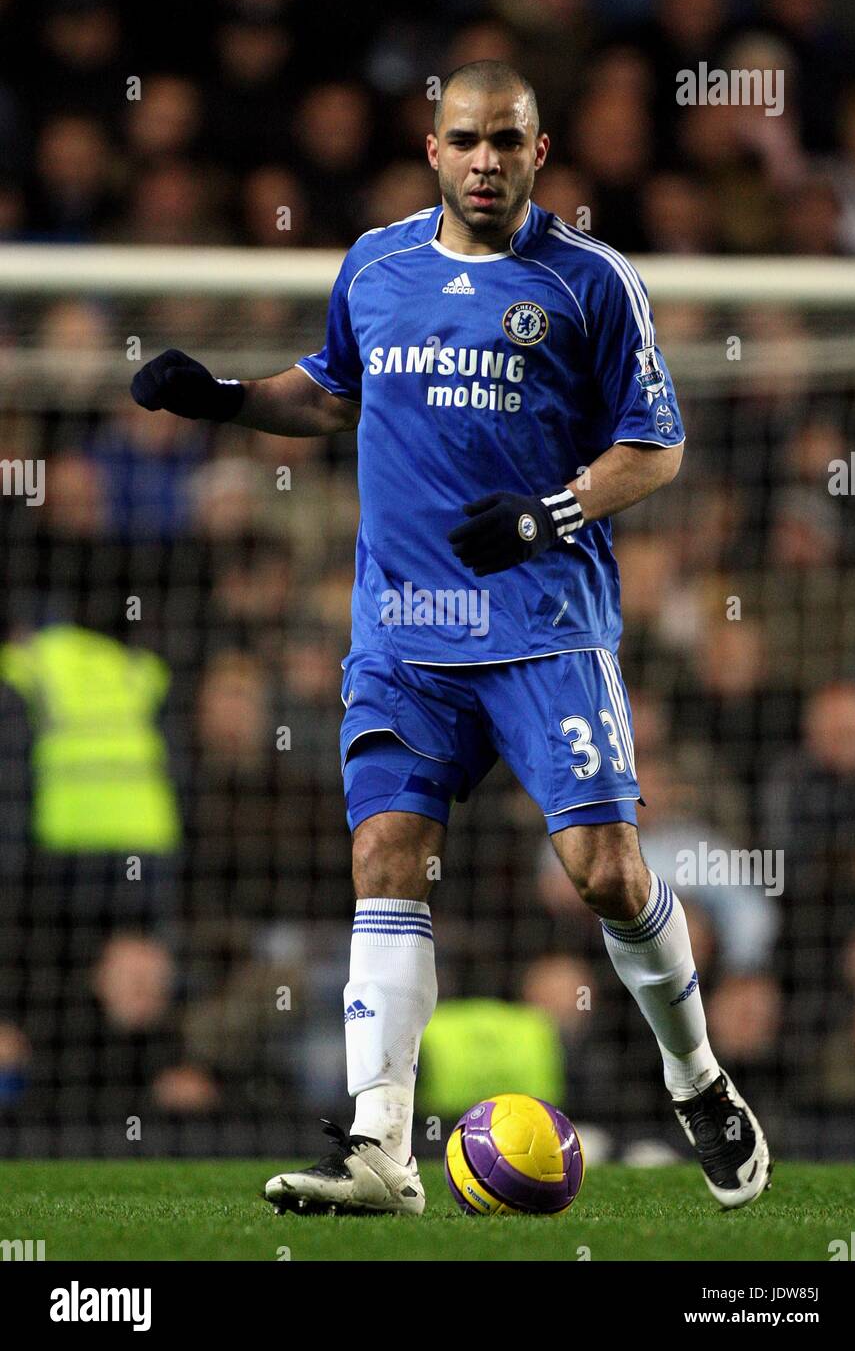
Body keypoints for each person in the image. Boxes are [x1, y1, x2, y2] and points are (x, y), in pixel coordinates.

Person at [131, 60, 771, 1215]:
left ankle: (696, 1076)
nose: (485, 160)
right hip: (400, 634)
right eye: (464, 140)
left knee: (607, 875)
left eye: (506, 143)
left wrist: (546, 514)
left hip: (542, 632)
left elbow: (656, 444)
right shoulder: (375, 266)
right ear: (430, 149)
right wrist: (220, 397)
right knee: (384, 855)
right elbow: (332, 395)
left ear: (540, 152)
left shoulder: (590, 284)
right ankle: (381, 1145)